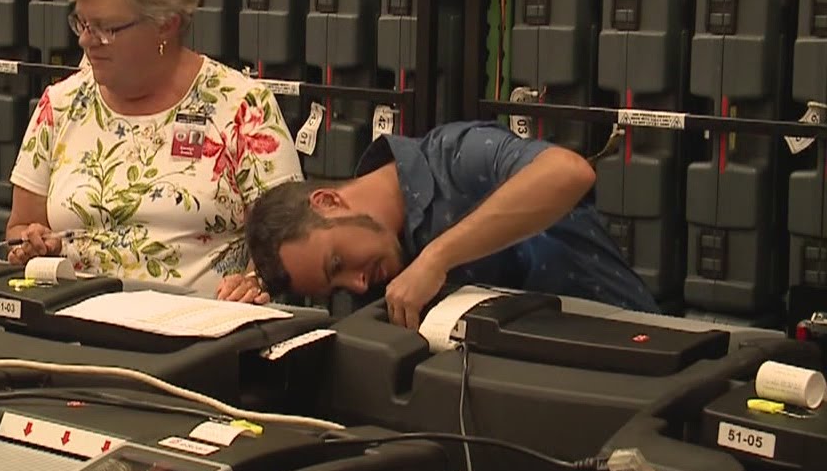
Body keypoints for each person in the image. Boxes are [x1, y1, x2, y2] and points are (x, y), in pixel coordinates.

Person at [6, 0, 303, 302]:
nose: (85, 41)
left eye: (106, 29)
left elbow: (291, 241)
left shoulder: (242, 107)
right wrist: (30, 245)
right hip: (73, 321)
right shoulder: (61, 104)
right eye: (81, 24)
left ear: (167, 24)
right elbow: (19, 227)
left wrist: (255, 281)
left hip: (199, 332)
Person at [245, 120, 660, 328]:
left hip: (628, 349)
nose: (355, 284)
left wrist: (438, 257)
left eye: (337, 264)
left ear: (329, 201)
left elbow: (569, 173)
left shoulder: (454, 156)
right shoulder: (373, 269)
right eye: (336, 287)